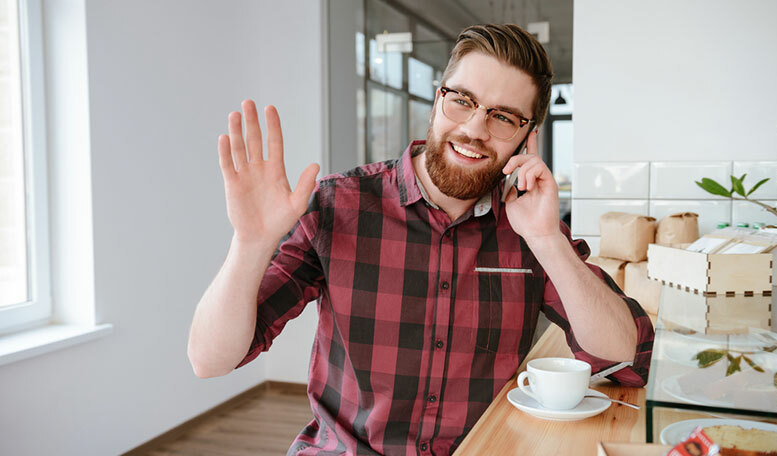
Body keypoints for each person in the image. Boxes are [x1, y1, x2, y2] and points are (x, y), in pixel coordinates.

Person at [188, 24, 654, 455]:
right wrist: (249, 244)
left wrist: (547, 240)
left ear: (527, 137)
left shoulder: (529, 226)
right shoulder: (337, 206)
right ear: (438, 100)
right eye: (463, 101)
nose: (475, 128)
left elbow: (623, 359)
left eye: (504, 117)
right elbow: (210, 360)